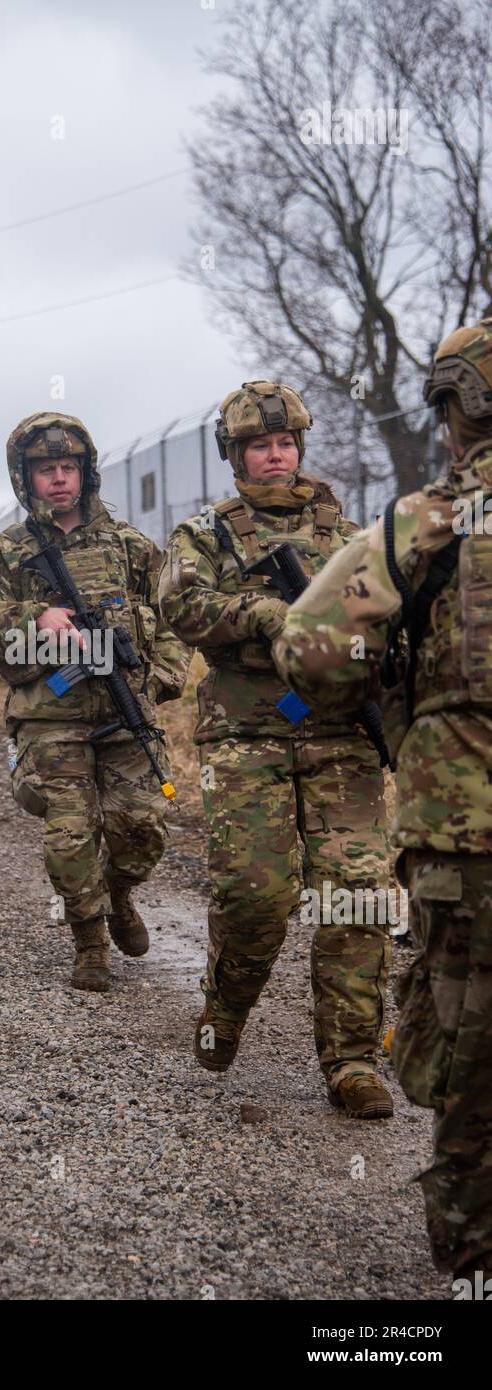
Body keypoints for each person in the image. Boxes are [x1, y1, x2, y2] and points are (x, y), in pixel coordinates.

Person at [273, 318, 492, 1278]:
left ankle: (473, 1255)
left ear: (455, 410)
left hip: (462, 832)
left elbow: (310, 649)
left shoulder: (431, 521)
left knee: (469, 1053)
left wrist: (391, 690)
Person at [158, 381, 393, 1118]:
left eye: (284, 442)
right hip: (246, 735)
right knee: (255, 894)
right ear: (235, 455)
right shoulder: (206, 535)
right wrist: (262, 614)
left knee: (355, 894)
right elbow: (180, 605)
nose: (274, 455)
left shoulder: (352, 537)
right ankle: (225, 1011)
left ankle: (352, 1060)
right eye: (259, 445)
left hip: (339, 736)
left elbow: (384, 614)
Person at [0, 412, 189, 991]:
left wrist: (157, 679)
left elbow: (176, 615)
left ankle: (120, 891)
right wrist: (37, 619)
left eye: (68, 468)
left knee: (144, 826)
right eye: (45, 470)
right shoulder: (2, 555)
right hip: (50, 717)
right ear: (23, 479)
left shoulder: (130, 546)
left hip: (125, 713)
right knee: (69, 833)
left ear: (86, 473)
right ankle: (89, 942)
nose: (58, 479)